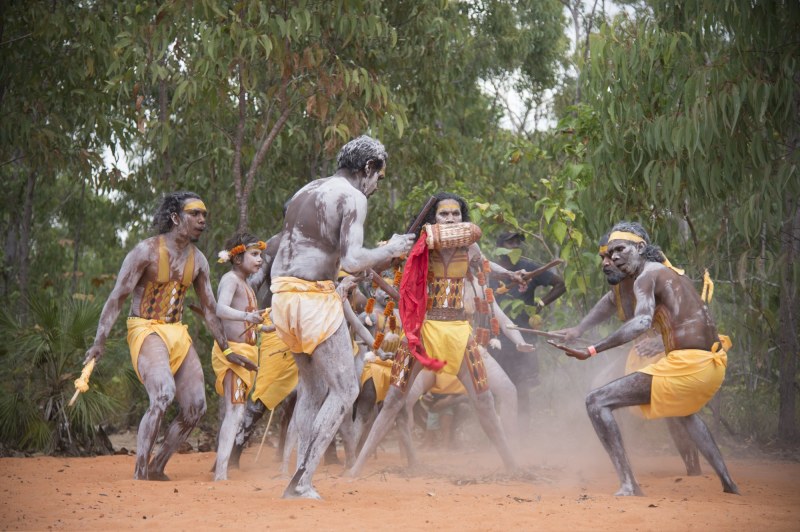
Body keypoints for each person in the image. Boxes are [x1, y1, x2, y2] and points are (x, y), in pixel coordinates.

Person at [347, 192, 533, 477]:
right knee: (395, 399)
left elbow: (483, 266)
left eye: (455, 214)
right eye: (444, 214)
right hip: (422, 331)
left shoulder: (469, 245)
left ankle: (512, 465)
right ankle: (356, 470)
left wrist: (511, 275)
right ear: (433, 218)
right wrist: (379, 260)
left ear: (462, 217)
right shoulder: (420, 245)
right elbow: (385, 265)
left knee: (485, 401)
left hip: (458, 332)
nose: (450, 218)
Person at [269, 135, 415, 499]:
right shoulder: (352, 196)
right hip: (312, 298)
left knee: (313, 390)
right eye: (378, 177)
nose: (377, 185)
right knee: (347, 389)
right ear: (367, 168)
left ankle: (300, 479)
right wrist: (391, 249)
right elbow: (351, 260)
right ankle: (301, 482)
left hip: (282, 297)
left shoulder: (308, 189)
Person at [549, 221, 738, 496]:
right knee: (683, 412)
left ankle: (629, 484)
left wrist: (592, 350)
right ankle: (729, 483)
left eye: (619, 250)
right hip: (710, 366)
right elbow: (611, 302)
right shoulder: (666, 273)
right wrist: (579, 329)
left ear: (640, 247)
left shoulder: (647, 276)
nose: (612, 258)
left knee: (596, 401)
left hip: (688, 365)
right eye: (608, 253)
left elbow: (640, 324)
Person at [83, 192, 253, 480]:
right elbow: (117, 297)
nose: (202, 220)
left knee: (196, 407)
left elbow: (211, 311)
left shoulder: (198, 261)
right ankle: (140, 474)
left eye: (204, 215)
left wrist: (226, 350)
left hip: (177, 333)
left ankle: (157, 466)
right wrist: (99, 341)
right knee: (162, 394)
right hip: (145, 329)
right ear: (175, 218)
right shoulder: (145, 251)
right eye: (195, 214)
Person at [490, 231, 565, 433]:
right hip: (495, 340)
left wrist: (540, 304)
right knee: (495, 389)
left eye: (518, 242)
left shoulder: (529, 268)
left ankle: (522, 436)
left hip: (524, 338)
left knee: (521, 388)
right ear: (500, 246)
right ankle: (499, 434)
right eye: (510, 241)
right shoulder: (489, 271)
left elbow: (560, 284)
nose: (515, 245)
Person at [210, 232, 265, 480]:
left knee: (237, 411)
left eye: (261, 254)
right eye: (254, 254)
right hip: (233, 355)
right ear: (236, 258)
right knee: (234, 411)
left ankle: (220, 468)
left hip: (245, 354)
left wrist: (263, 326)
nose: (260, 259)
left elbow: (246, 319)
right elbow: (219, 309)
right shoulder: (230, 279)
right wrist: (247, 317)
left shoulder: (246, 284)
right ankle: (220, 472)